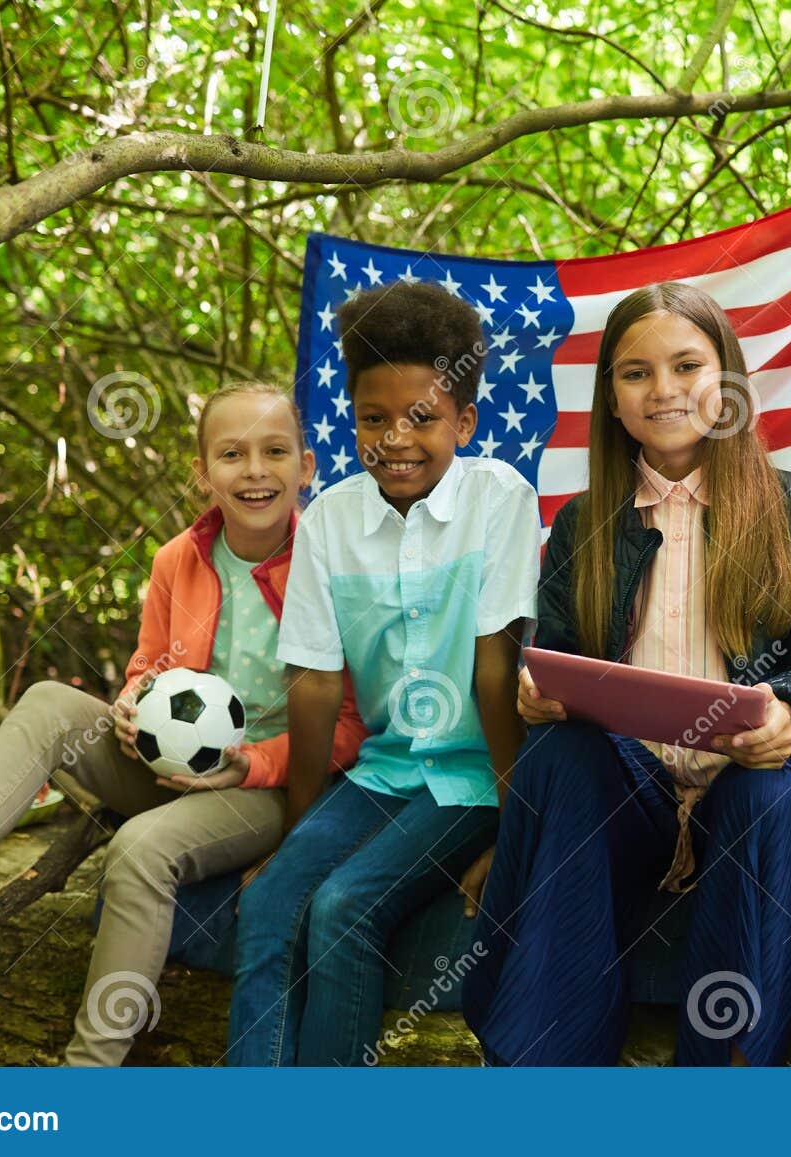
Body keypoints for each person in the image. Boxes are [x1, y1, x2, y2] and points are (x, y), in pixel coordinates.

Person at [0, 381, 365, 1066]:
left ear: (307, 466)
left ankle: (88, 1073)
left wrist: (253, 765)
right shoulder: (177, 558)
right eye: (232, 453)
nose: (255, 470)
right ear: (202, 472)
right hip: (164, 768)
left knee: (139, 850)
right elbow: (149, 665)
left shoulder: (332, 568)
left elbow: (350, 726)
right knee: (51, 702)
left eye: (275, 451)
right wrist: (134, 704)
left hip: (264, 789)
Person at [461, 281, 791, 1066]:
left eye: (687, 366)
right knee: (560, 754)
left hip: (750, 784)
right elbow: (561, 655)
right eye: (636, 373)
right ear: (612, 399)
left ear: (728, 382)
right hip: (634, 790)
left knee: (761, 796)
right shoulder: (583, 522)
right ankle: (544, 1063)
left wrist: (789, 711)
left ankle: (728, 1070)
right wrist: (540, 696)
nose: (663, 390)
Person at [225, 280, 542, 1066]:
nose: (396, 438)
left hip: (474, 776)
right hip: (383, 772)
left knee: (344, 905)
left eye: (422, 418)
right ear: (352, 418)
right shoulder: (330, 520)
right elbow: (315, 686)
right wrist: (299, 837)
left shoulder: (499, 498)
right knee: (270, 901)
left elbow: (495, 669)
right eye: (374, 418)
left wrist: (516, 832)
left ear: (464, 422)